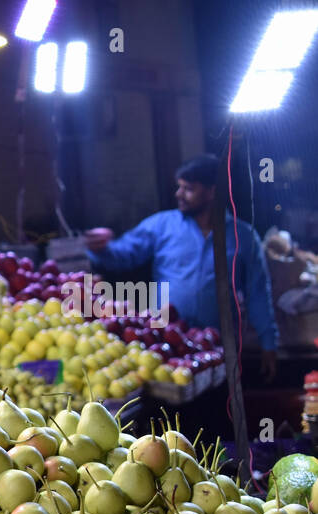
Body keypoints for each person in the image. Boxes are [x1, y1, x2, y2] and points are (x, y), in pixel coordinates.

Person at [84, 154, 278, 381]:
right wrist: (101, 248)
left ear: (212, 191)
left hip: (220, 349)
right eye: (180, 187)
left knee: (218, 409)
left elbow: (257, 294)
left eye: (188, 189)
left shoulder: (243, 236)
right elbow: (124, 255)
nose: (179, 194)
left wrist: (268, 343)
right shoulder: (161, 225)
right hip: (165, 345)